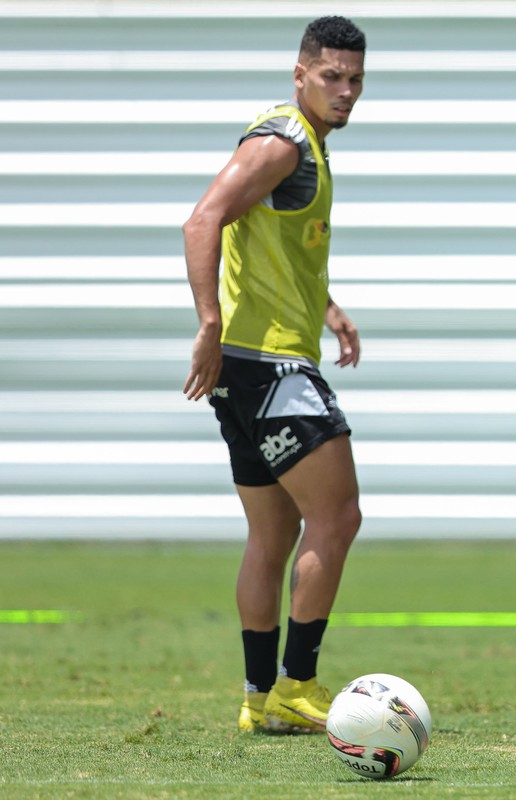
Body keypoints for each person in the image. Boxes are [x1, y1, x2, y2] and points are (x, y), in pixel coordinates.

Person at [182, 16, 367, 734]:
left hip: (250, 366)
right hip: (269, 364)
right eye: (332, 77)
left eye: (355, 81)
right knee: (339, 514)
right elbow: (204, 221)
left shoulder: (303, 143)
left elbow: (268, 245)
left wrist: (326, 305)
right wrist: (206, 323)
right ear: (301, 75)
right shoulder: (284, 141)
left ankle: (260, 699)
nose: (345, 92)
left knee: (273, 531)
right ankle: (299, 683)